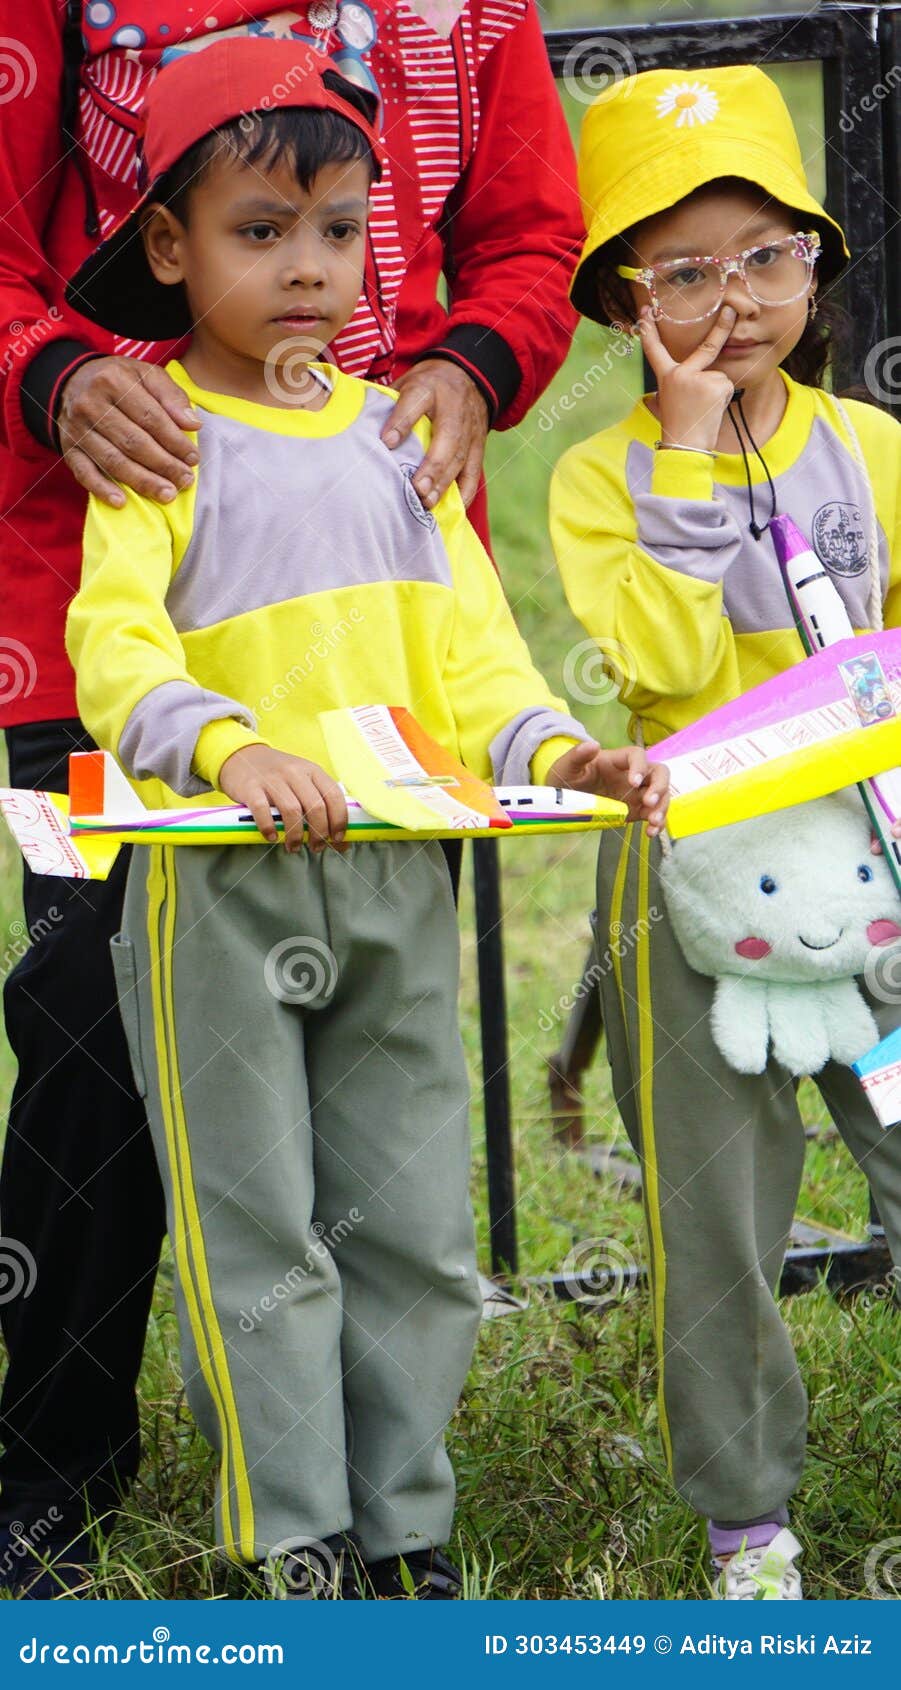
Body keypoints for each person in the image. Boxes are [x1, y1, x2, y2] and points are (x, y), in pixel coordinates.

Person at [63, 40, 669, 1597]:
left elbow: (474, 655)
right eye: (259, 231)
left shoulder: (403, 440)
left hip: (401, 881)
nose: (310, 268)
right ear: (170, 247)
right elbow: (115, 650)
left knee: (408, 1215)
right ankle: (294, 1536)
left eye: (340, 229)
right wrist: (225, 747)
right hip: (224, 894)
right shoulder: (156, 444)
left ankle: (403, 1523)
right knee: (255, 1222)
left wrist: (552, 745)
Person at [550, 65, 901, 1600]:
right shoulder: (594, 476)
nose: (733, 299)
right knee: (715, 1209)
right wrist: (686, 456)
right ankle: (746, 1519)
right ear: (622, 300)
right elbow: (668, 669)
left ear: (815, 263)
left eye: (766, 256)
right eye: (680, 270)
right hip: (691, 871)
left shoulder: (873, 446)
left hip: (873, 853)